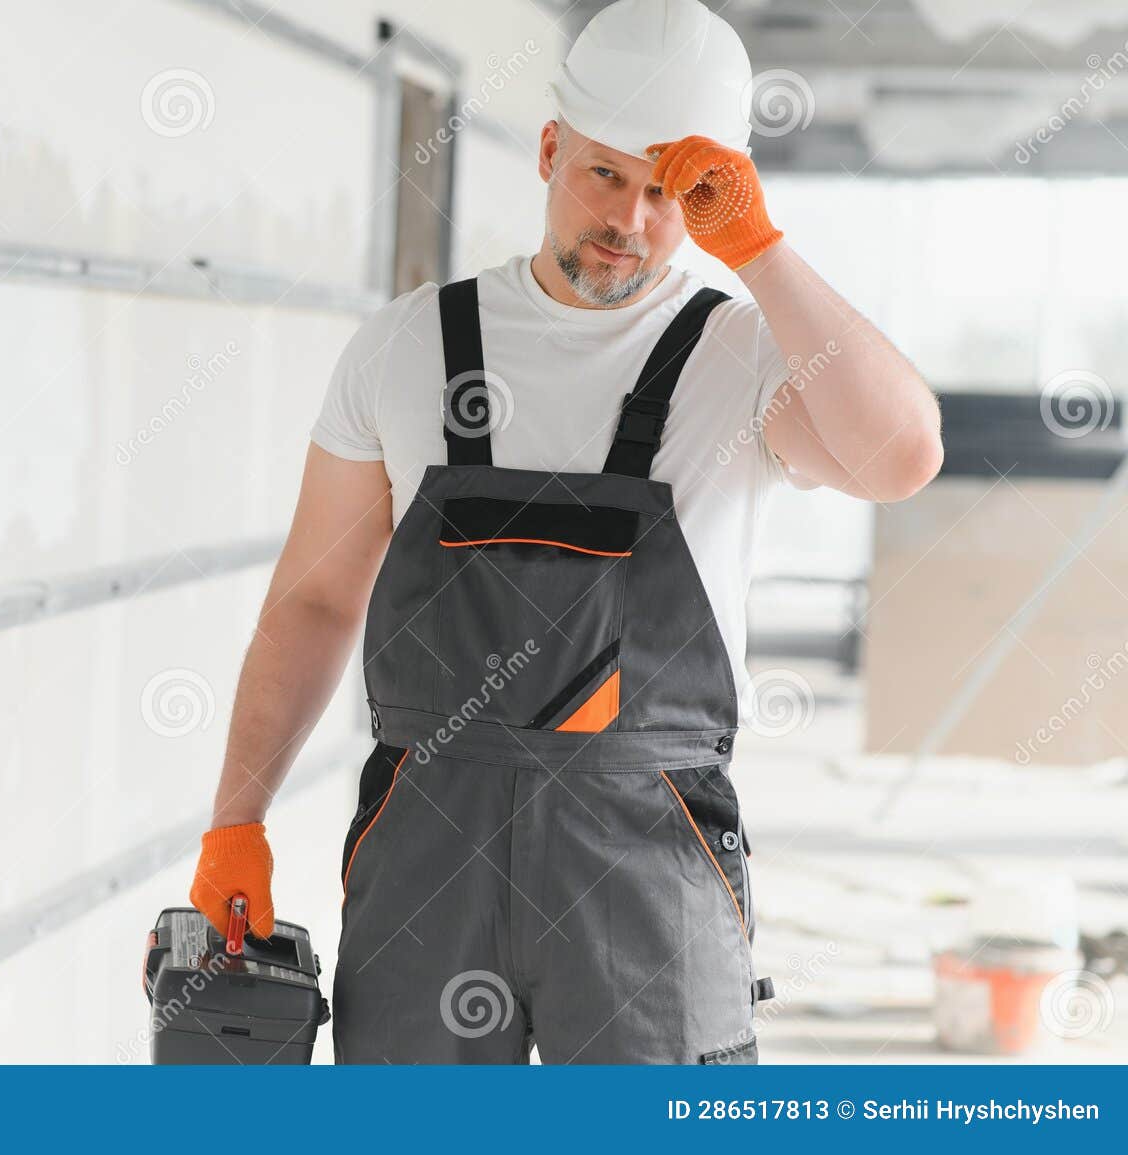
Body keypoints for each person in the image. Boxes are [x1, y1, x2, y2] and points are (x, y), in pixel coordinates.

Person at [189, 0, 941, 1063]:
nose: (630, 219)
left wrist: (761, 253)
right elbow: (313, 600)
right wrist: (236, 821)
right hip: (428, 851)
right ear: (549, 150)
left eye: (669, 193)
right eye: (604, 176)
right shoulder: (406, 347)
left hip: (647, 861)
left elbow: (901, 457)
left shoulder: (742, 363)